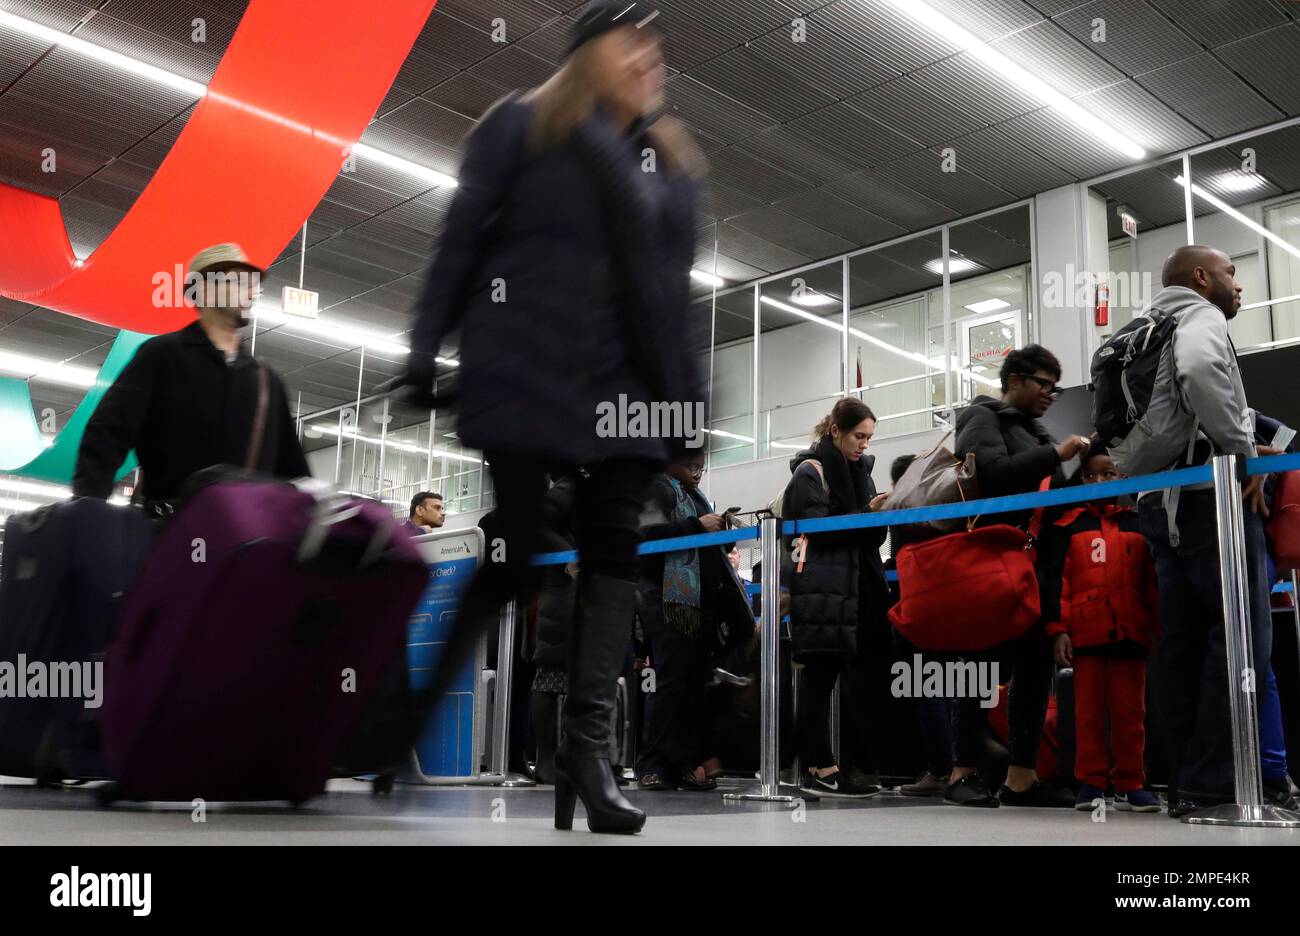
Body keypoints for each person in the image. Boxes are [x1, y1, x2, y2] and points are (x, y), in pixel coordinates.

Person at [396, 0, 705, 835]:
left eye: (655, 44)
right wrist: (424, 350)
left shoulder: (665, 162)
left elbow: (671, 296)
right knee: (515, 550)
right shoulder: (521, 127)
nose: (648, 56)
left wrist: (689, 399)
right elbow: (459, 240)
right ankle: (410, 715)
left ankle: (588, 752)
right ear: (587, 52)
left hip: (626, 386)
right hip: (525, 372)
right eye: (629, 39)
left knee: (614, 551)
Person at [1130, 246, 1282, 816]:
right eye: (1230, 273)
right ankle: (1218, 787)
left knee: (1183, 647)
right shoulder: (1200, 317)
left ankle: (1186, 786)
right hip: (1207, 502)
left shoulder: (1144, 326)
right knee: (1243, 641)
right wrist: (1239, 451)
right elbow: (1198, 370)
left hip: (1157, 504)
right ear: (1200, 278)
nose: (1236, 285)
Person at [946, 344, 1090, 808]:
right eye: (1042, 383)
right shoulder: (981, 416)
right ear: (1014, 380)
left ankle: (1021, 778)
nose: (1050, 392)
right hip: (990, 564)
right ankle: (960, 772)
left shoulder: (1033, 430)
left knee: (1032, 670)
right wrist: (1055, 454)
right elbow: (991, 475)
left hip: (1029, 569)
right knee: (979, 670)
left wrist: (1084, 465)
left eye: (1055, 385)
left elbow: (1049, 503)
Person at [74, 243, 309, 503]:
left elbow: (293, 472)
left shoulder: (266, 382)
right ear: (206, 290)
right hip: (168, 530)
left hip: (244, 538)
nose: (252, 293)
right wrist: (89, 506)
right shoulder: (163, 357)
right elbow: (107, 432)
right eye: (240, 282)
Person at [1038, 444, 1162, 812]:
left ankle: (1131, 782)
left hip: (1130, 635)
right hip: (1085, 636)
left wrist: (1156, 626)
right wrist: (1057, 630)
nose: (1098, 481)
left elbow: (1153, 583)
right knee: (1087, 714)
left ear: (1122, 477)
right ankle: (1091, 782)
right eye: (1090, 474)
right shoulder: (1067, 526)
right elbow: (1057, 583)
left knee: (1131, 714)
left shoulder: (1139, 522)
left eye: (1108, 473)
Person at [782, 397, 891, 798]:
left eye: (869, 437)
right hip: (824, 589)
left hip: (859, 587)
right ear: (835, 432)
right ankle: (820, 766)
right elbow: (818, 530)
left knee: (850, 679)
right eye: (859, 436)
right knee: (821, 678)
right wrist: (866, 511)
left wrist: (875, 512)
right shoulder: (810, 473)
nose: (864, 445)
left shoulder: (862, 472)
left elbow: (873, 536)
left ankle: (826, 761)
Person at [635, 451, 733, 791]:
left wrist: (721, 531)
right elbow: (645, 538)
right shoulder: (656, 488)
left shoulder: (692, 495)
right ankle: (652, 763)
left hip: (696, 600)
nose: (697, 473)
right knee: (670, 682)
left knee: (692, 685)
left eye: (701, 467)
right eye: (691, 466)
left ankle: (682, 762)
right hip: (666, 597)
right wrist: (697, 526)